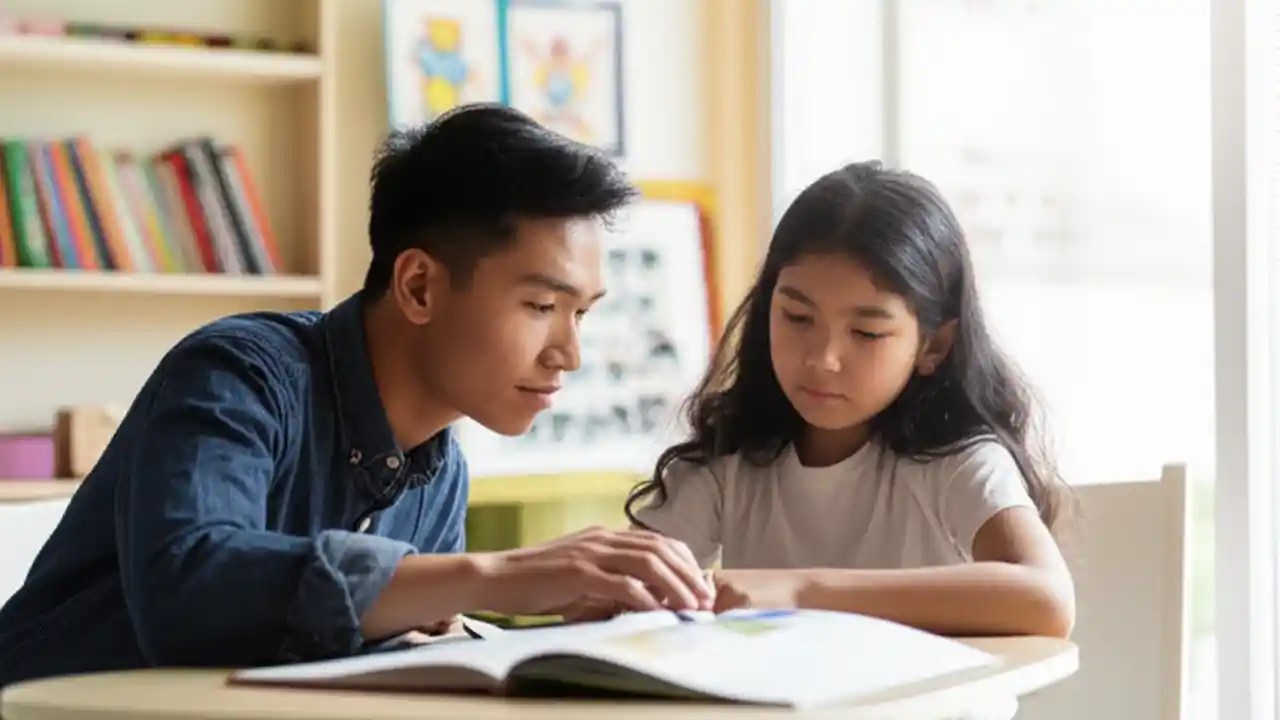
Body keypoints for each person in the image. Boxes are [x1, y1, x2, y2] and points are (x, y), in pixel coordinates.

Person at [0, 104, 712, 688]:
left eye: (581, 313)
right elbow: (190, 588)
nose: (570, 353)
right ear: (419, 286)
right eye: (539, 307)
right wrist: (493, 576)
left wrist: (513, 623)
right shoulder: (238, 375)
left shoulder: (440, 469)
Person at [627, 160, 1076, 639]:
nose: (823, 359)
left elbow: (1046, 599)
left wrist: (801, 593)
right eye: (797, 317)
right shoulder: (730, 457)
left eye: (866, 332)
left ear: (933, 346)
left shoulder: (957, 462)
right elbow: (626, 592)